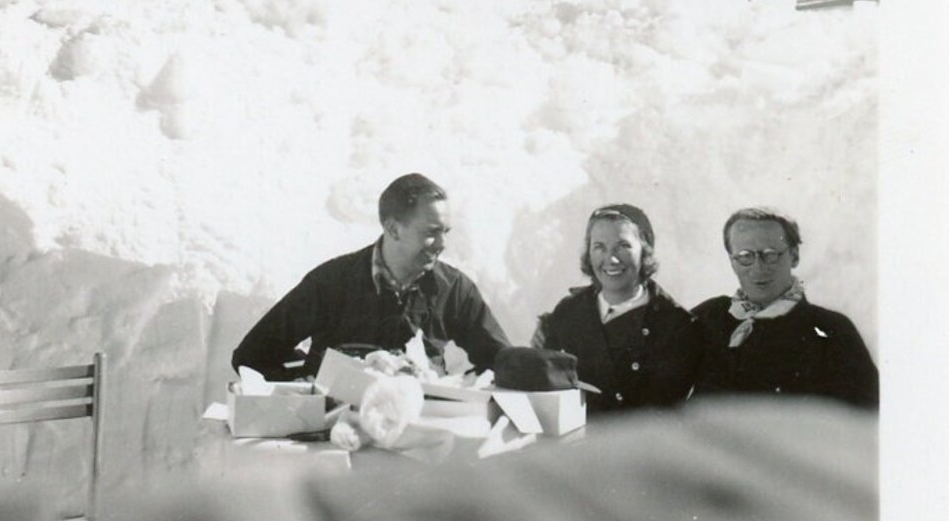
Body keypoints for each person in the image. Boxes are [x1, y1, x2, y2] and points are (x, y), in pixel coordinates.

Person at [231, 173, 510, 380]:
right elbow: (251, 357)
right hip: (337, 442)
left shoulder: (455, 289)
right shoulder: (330, 283)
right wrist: (304, 384)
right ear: (393, 228)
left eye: (444, 232)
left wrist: (465, 390)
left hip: (418, 442)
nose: (441, 244)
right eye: (430, 233)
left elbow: (500, 359)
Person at [691, 207, 878, 408]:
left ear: (794, 256)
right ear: (732, 262)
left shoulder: (832, 330)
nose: (758, 268)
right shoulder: (708, 317)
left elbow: (864, 422)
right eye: (745, 256)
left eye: (770, 255)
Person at [533, 204, 701, 411]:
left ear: (645, 250)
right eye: (599, 247)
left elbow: (663, 414)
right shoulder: (568, 311)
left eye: (623, 246)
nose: (611, 260)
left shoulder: (675, 324)